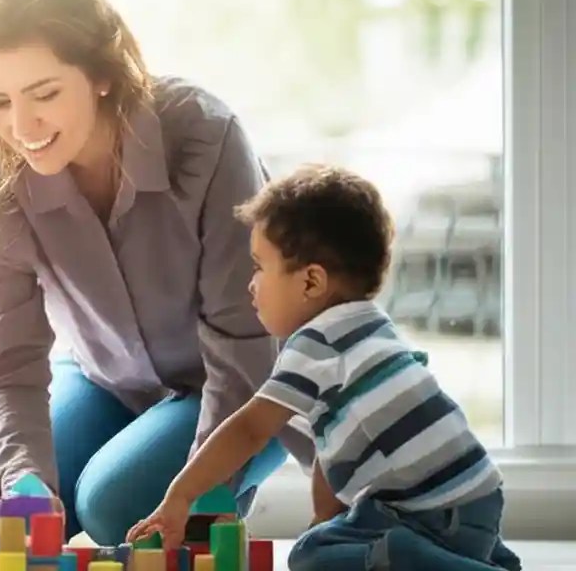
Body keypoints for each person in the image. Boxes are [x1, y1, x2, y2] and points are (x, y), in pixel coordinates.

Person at [0, 0, 314, 544]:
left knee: (110, 506)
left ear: (102, 74)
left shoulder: (204, 136)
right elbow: (9, 364)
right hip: (107, 379)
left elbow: (248, 345)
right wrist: (26, 483)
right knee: (28, 504)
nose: (20, 125)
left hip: (241, 384)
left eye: (43, 93)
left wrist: (195, 498)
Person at [127, 164, 520, 571]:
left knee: (310, 557)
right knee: (326, 539)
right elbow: (329, 451)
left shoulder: (315, 344)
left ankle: (413, 556)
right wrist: (324, 524)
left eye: (260, 266)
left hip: (428, 515)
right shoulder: (370, 326)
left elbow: (248, 429)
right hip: (476, 502)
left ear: (311, 283)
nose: (251, 284)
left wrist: (181, 495)